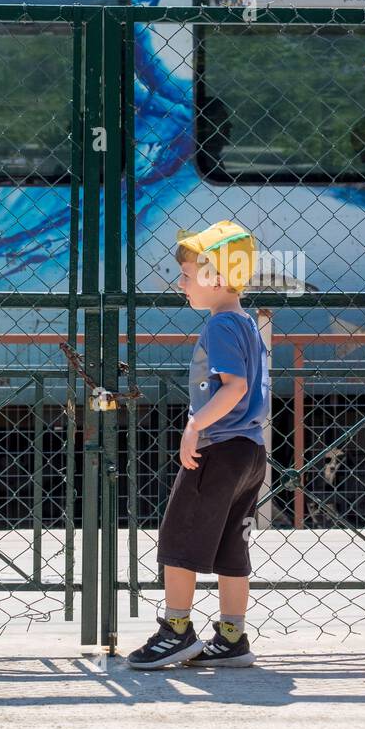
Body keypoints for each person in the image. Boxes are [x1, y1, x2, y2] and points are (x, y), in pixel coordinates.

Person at [127, 219, 270, 670]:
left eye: (188, 275)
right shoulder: (246, 322)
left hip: (220, 447)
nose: (180, 283)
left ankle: (177, 631)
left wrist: (194, 426)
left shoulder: (220, 327)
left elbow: (234, 387)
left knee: (178, 537)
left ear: (218, 278)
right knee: (232, 544)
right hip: (250, 451)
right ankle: (232, 636)